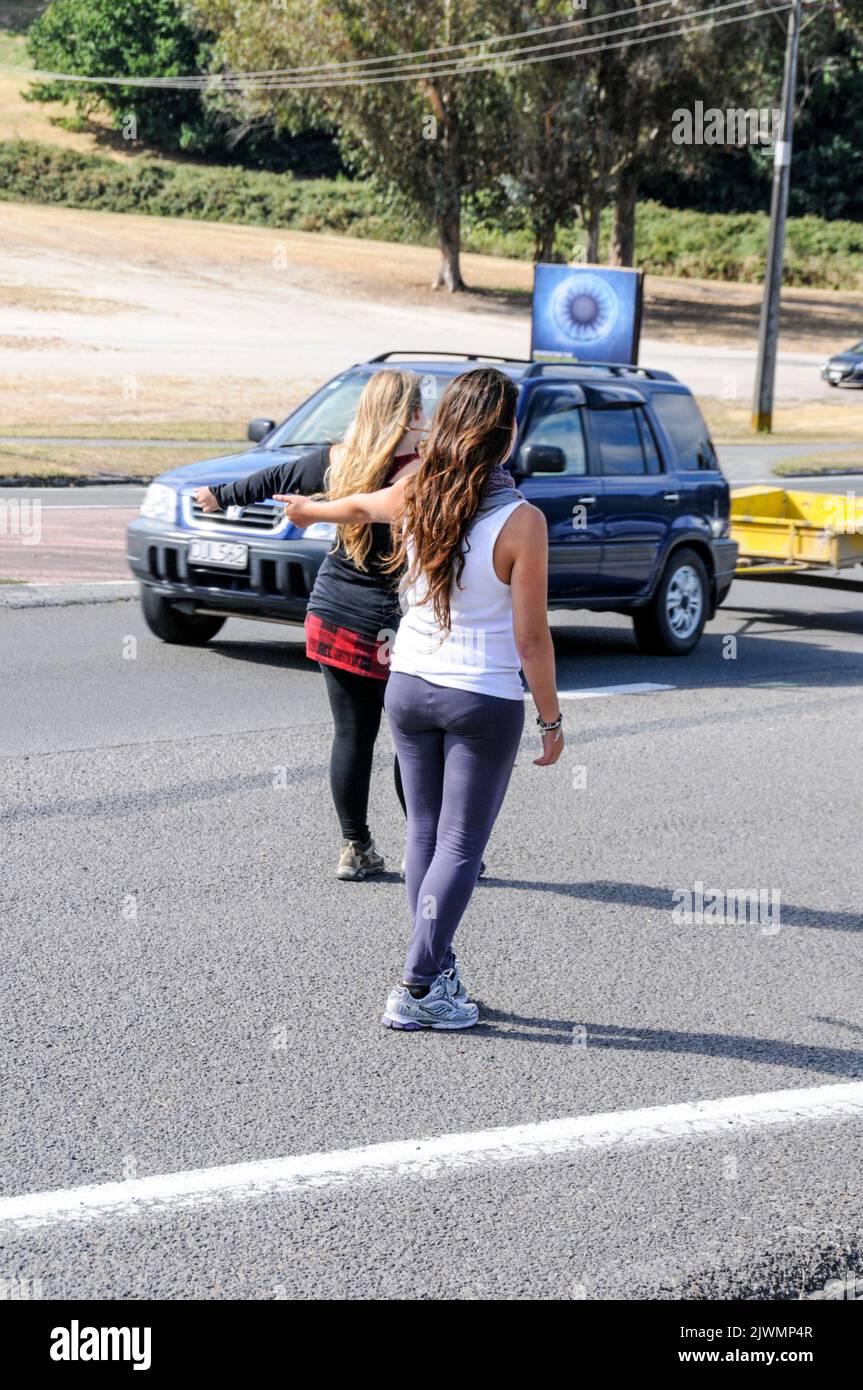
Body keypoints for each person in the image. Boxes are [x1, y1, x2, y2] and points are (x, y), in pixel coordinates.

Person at [278, 367, 564, 1031]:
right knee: (459, 845)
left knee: (424, 836)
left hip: (408, 686)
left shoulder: (415, 490)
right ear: (508, 431)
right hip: (479, 699)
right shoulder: (522, 521)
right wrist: (550, 717)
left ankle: (434, 969)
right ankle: (416, 984)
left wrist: (307, 510)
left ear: (446, 425)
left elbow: (357, 506)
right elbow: (531, 640)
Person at [193, 370, 425, 880]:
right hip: (393, 625)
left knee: (351, 734)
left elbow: (273, 478)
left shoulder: (336, 459)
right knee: (413, 739)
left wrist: (219, 494)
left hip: (331, 613)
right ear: (410, 415)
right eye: (421, 410)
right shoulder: (418, 471)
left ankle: (355, 847)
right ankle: (426, 850)